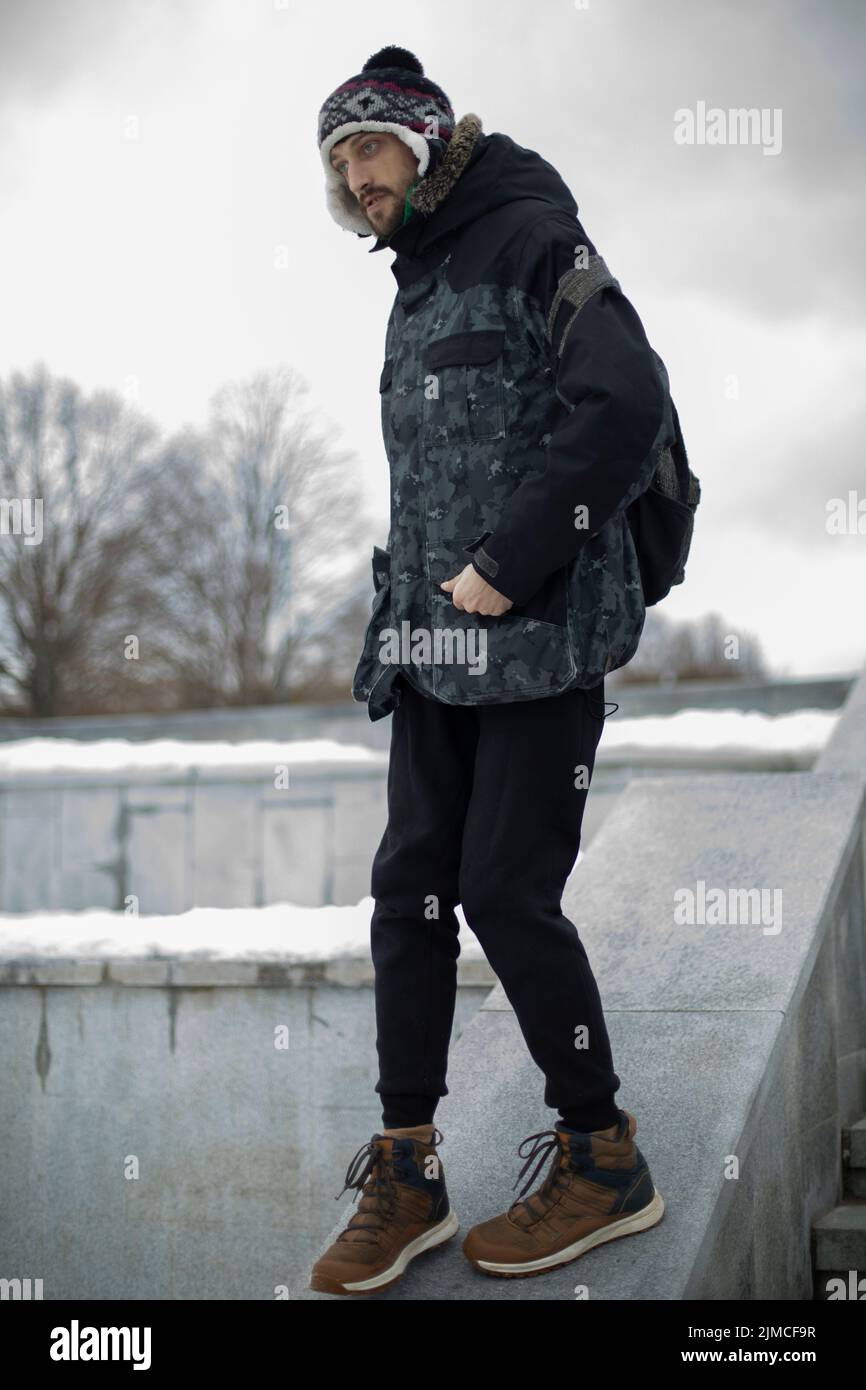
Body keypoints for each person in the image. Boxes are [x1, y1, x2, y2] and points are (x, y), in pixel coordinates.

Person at [309, 45, 666, 1296]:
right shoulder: (413, 286)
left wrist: (514, 563)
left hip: (540, 640)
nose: (356, 178)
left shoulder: (528, 236)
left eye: (371, 149)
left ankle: (601, 1153)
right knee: (407, 892)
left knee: (505, 893)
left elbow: (625, 401)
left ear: (421, 143)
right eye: (338, 160)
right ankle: (406, 1165)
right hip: (432, 653)